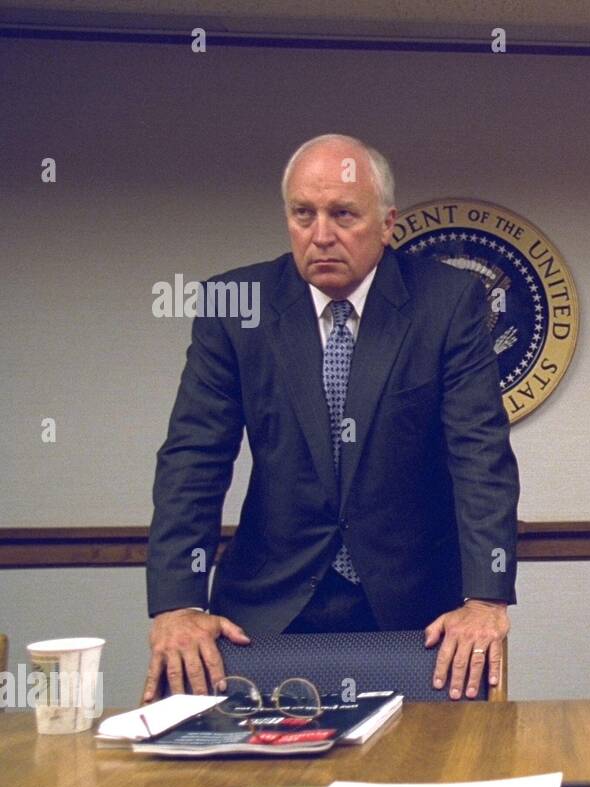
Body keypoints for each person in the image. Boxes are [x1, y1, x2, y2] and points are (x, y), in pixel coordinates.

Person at [144, 134, 519, 702]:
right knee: (247, 783)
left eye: (343, 214)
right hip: (267, 605)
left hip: (416, 610)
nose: (321, 235)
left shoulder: (448, 301)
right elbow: (193, 459)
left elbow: (480, 456)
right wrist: (178, 602)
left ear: (388, 222)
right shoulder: (234, 305)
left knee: (426, 778)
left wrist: (485, 599)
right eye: (303, 214)